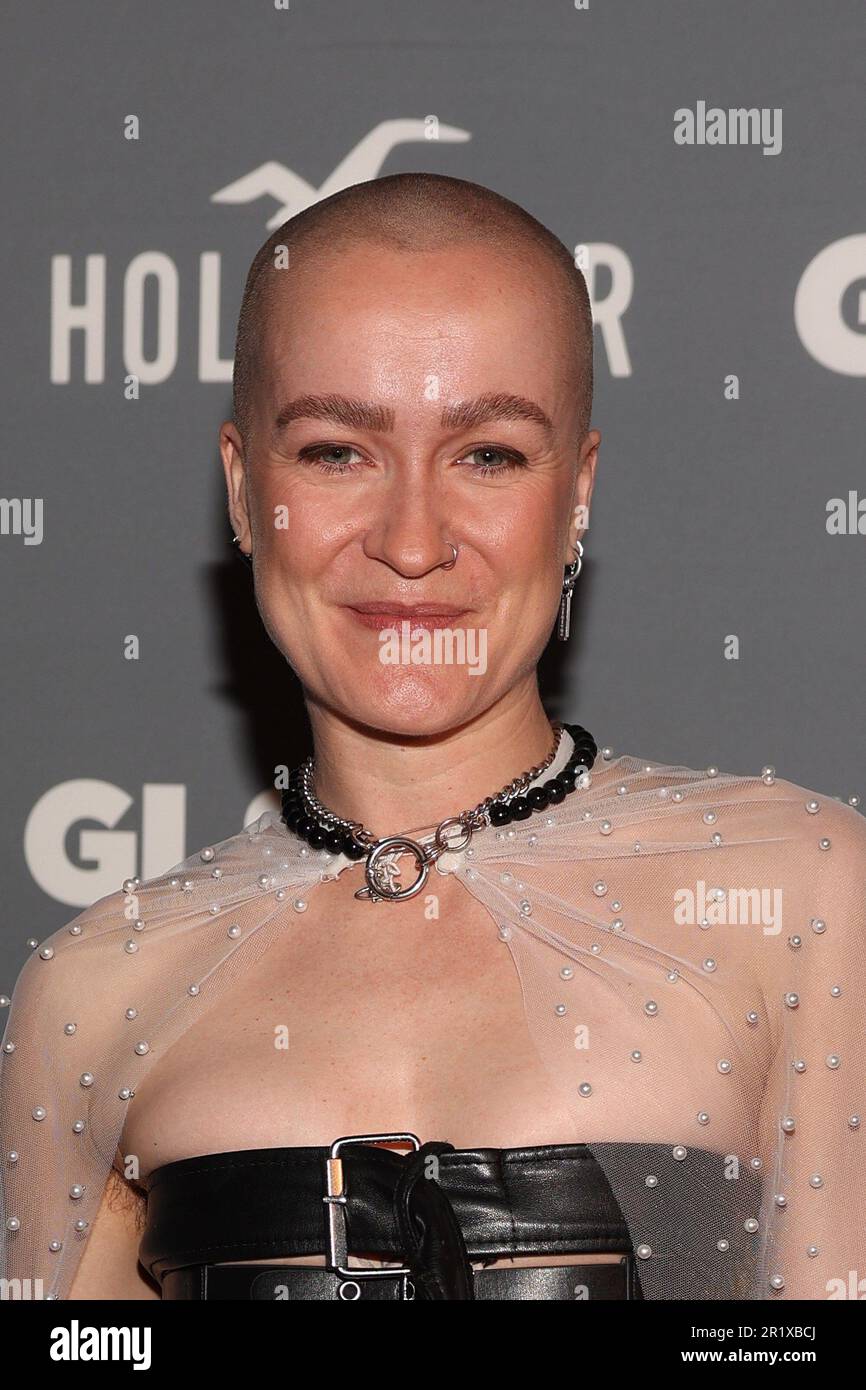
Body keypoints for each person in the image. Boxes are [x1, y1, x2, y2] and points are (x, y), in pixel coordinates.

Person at [2, 174, 864, 1302]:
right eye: (333, 451)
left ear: (577, 495)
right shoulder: (92, 990)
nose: (411, 541)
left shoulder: (802, 896)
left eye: (489, 454)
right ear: (238, 484)